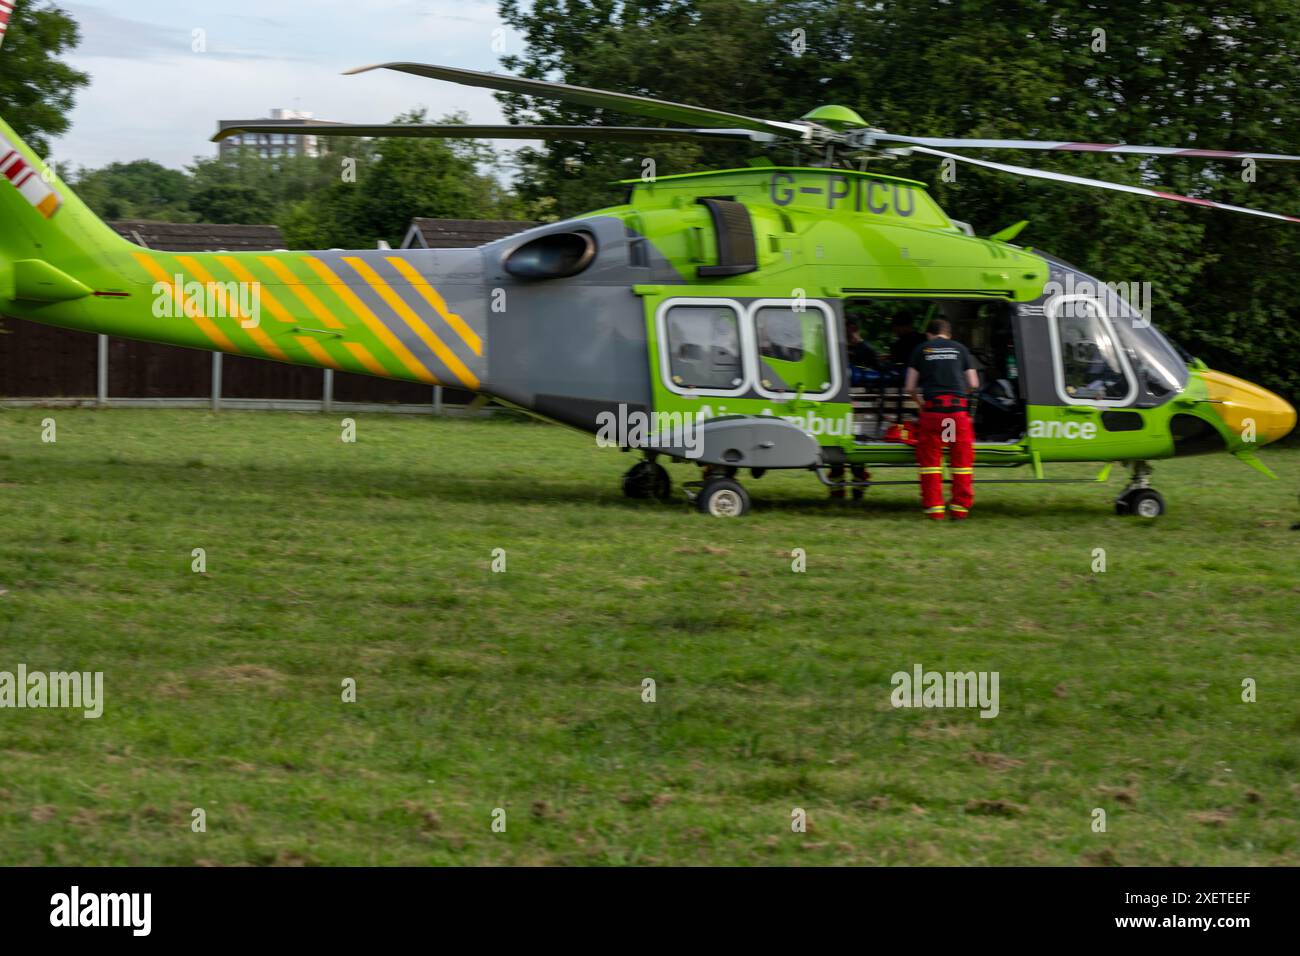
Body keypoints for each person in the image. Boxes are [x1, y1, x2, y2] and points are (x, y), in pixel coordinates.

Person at [903, 318, 979, 520]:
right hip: (956, 414)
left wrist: (920, 404)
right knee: (960, 462)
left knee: (931, 463)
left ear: (929, 334)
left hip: (933, 413)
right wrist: (963, 396)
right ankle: (959, 509)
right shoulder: (960, 349)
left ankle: (935, 510)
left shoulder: (922, 349)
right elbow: (973, 382)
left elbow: (910, 387)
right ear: (949, 334)